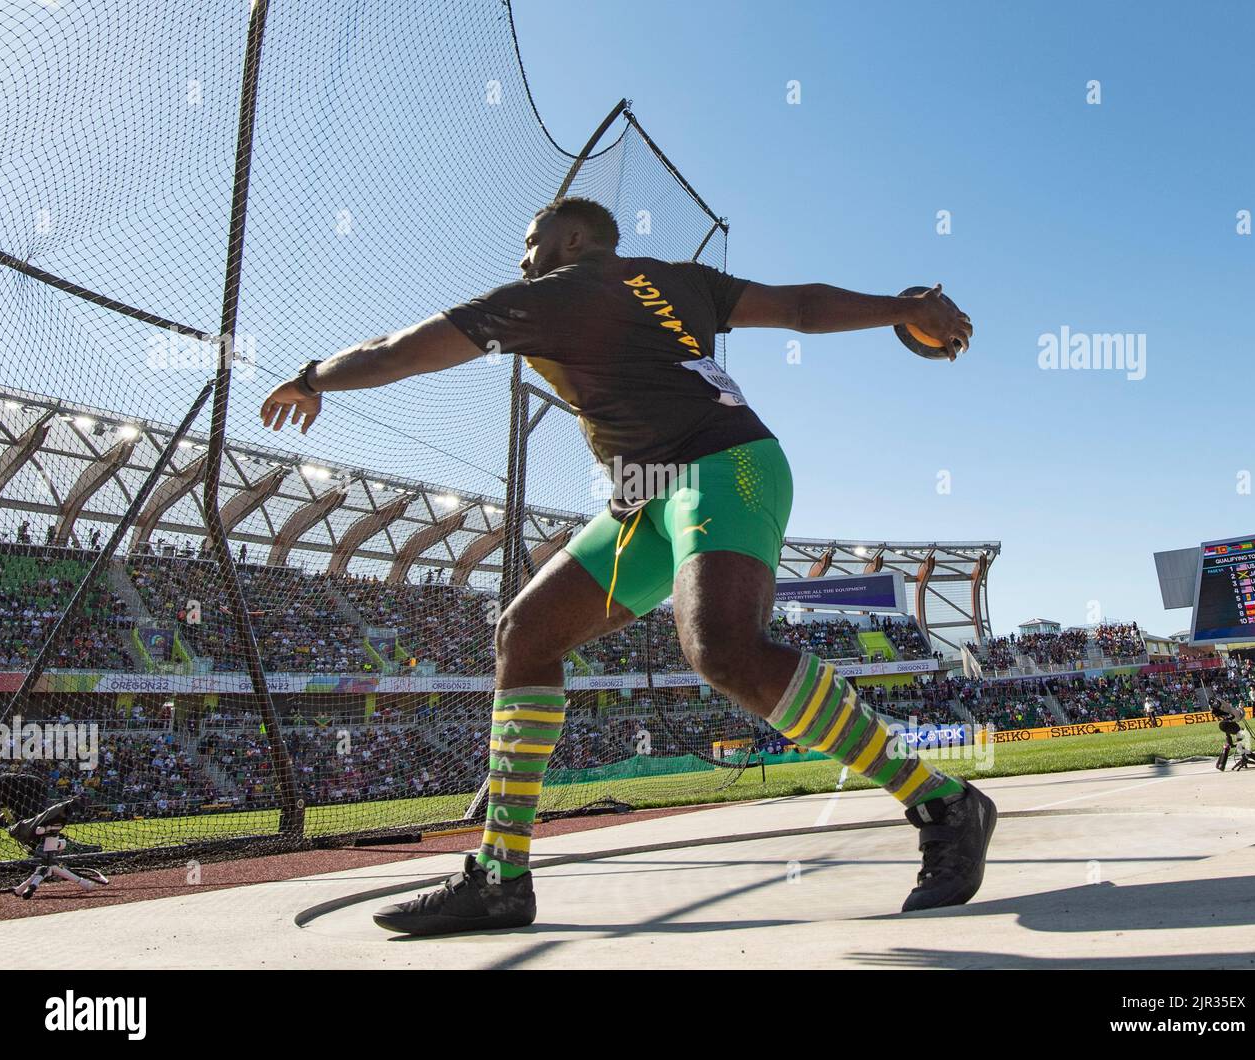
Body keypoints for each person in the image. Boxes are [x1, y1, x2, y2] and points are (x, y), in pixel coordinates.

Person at [260, 195, 992, 937]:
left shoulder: (546, 296)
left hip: (722, 464)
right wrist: (902, 309)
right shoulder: (683, 278)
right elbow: (801, 306)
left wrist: (313, 376)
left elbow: (402, 349)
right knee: (527, 634)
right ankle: (501, 877)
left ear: (571, 238)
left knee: (721, 647)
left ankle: (943, 802)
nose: (522, 257)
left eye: (530, 240)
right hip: (646, 493)